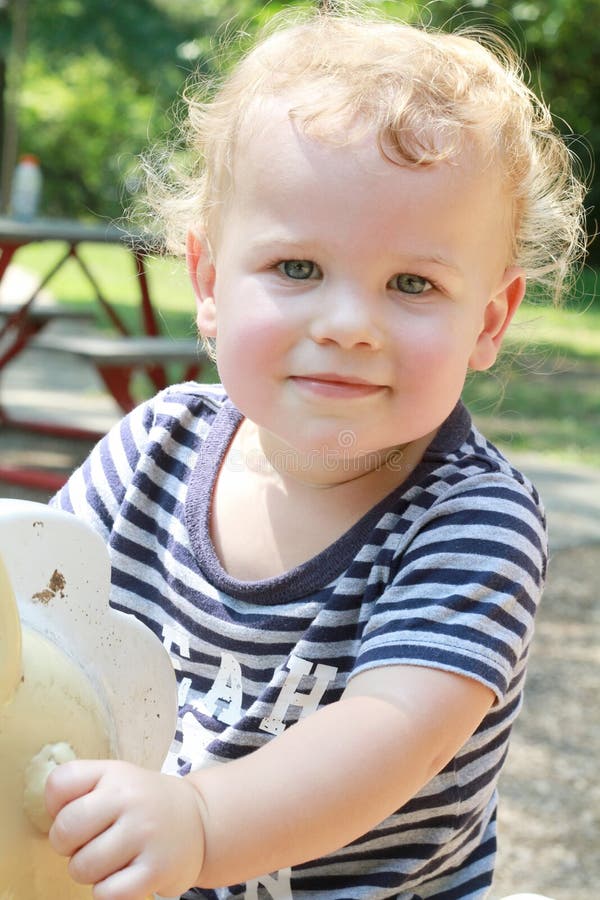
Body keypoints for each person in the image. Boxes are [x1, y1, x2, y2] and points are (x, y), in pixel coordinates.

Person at [45, 5, 586, 900]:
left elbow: (387, 732)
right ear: (211, 284)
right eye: (297, 269)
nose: (347, 327)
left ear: (488, 319)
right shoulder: (154, 448)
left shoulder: (472, 522)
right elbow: (32, 610)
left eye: (412, 283)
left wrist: (205, 823)